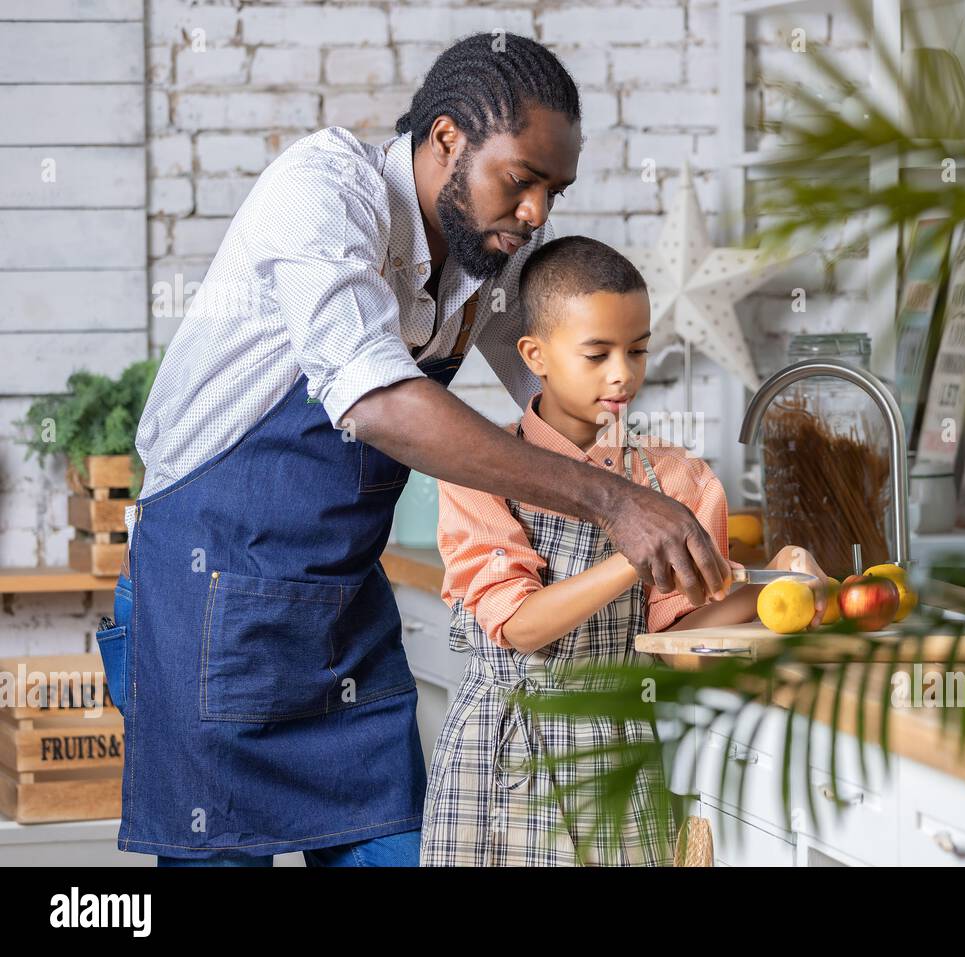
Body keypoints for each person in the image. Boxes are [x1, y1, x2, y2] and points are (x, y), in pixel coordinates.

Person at [99, 34, 729, 868]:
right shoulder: (322, 191)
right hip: (212, 596)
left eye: (554, 190)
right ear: (445, 141)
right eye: (521, 181)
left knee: (403, 851)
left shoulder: (488, 250)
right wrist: (615, 504)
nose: (538, 212)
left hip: (342, 612)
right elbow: (379, 402)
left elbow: (557, 386)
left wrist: (659, 478)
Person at [421, 237, 828, 866]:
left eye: (637, 350)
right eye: (598, 353)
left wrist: (777, 592)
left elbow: (674, 630)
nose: (623, 374)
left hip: (619, 748)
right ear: (536, 355)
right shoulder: (480, 472)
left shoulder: (677, 479)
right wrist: (634, 546)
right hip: (504, 760)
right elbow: (519, 626)